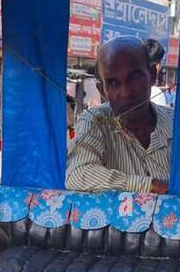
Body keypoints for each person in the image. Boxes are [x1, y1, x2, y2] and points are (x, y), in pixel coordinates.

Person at [67, 38, 172, 192]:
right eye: (113, 83)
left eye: (135, 77)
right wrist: (152, 185)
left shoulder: (177, 124)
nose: (126, 92)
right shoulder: (96, 121)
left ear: (152, 75)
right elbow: (77, 174)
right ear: (102, 90)